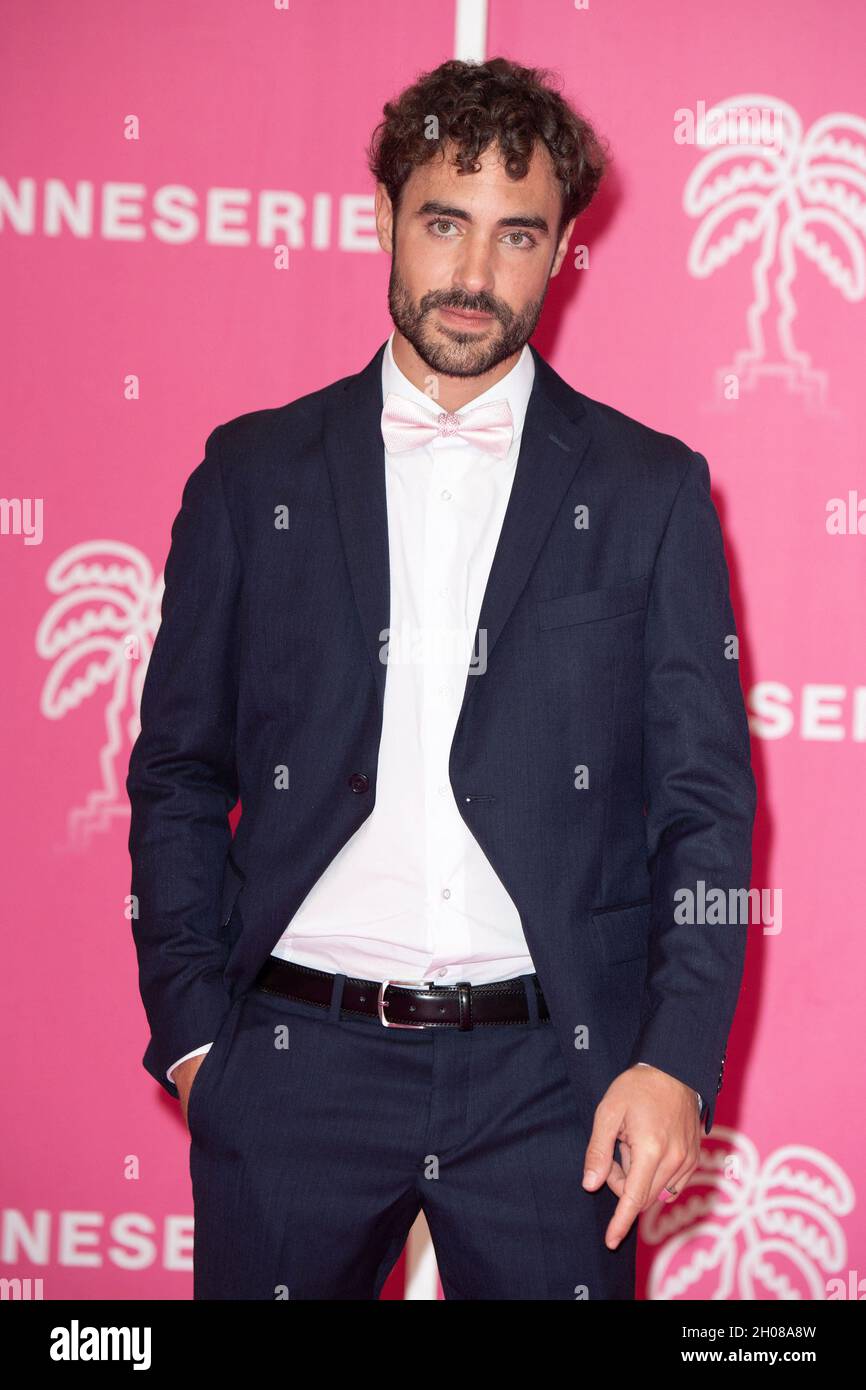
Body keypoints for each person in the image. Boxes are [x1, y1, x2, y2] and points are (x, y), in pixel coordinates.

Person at [126, 56, 756, 1301]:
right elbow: (179, 772)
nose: (472, 276)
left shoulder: (650, 491)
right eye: (442, 224)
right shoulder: (252, 476)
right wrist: (201, 1037)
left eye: (515, 234)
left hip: (551, 1086)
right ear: (384, 220)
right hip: (291, 1066)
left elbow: (704, 807)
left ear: (562, 246)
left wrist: (673, 1059)